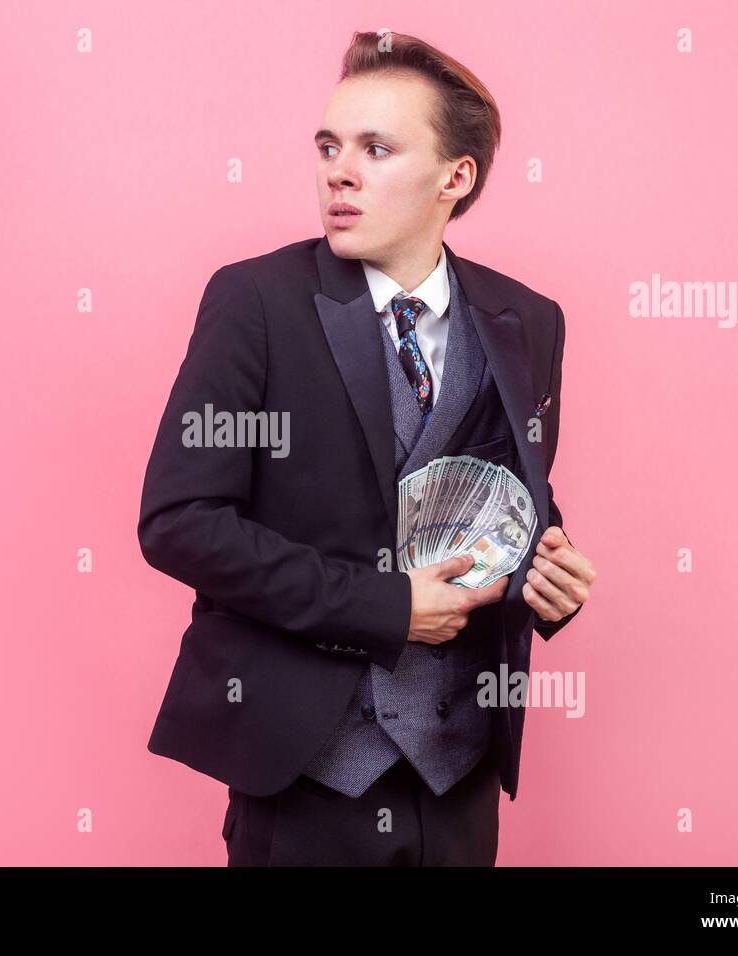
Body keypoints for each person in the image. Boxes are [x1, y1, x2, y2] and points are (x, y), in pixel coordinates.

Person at [138, 29, 597, 866]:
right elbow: (180, 521)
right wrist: (383, 607)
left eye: (376, 148)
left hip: (458, 772)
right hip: (307, 772)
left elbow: (514, 502)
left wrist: (547, 578)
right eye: (328, 146)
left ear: (455, 178)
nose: (337, 172)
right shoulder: (256, 302)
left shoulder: (528, 320)